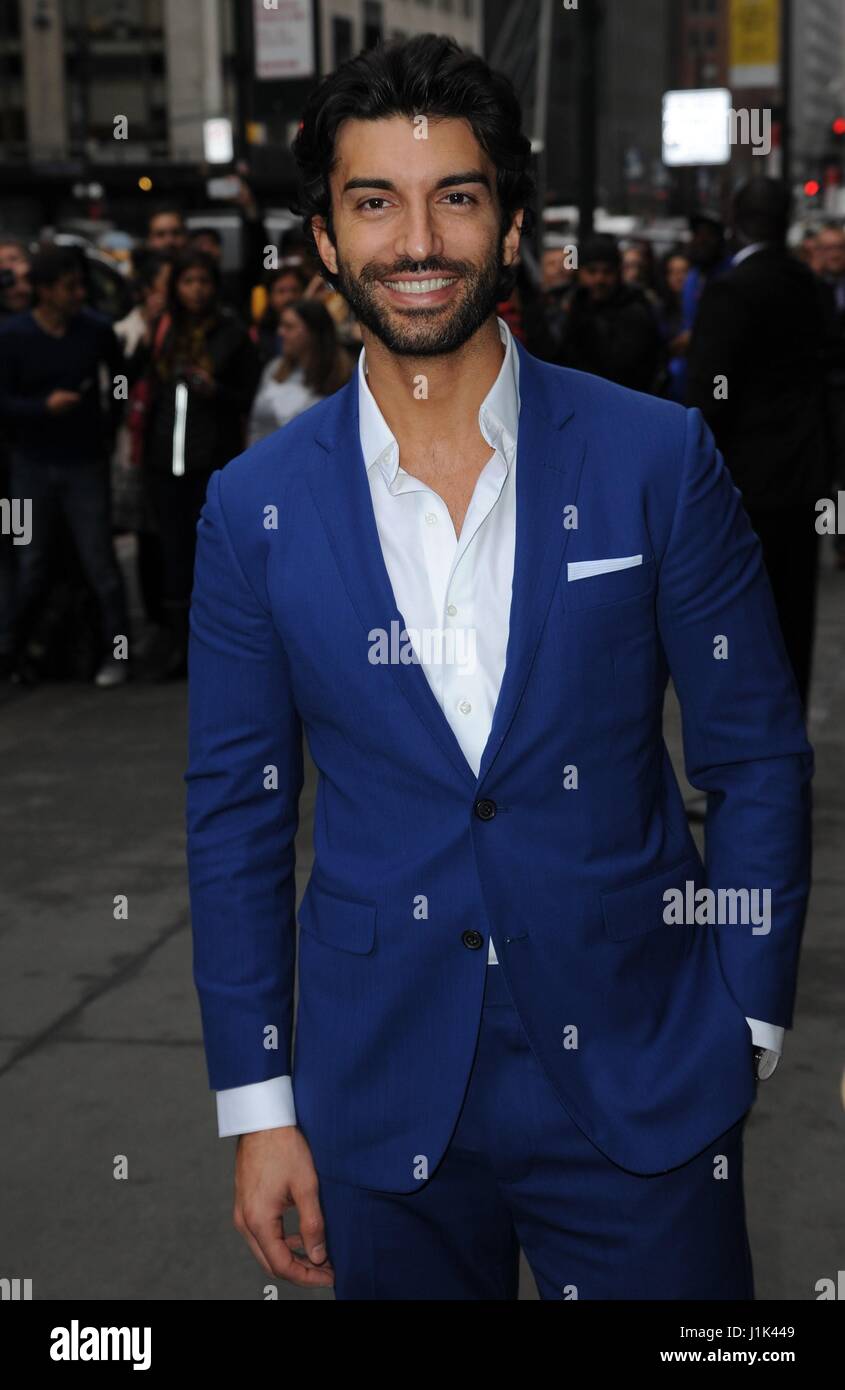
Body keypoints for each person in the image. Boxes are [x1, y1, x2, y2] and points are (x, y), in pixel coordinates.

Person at [185, 34, 812, 1302]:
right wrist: (258, 1106)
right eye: (374, 202)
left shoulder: (655, 458)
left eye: (454, 196)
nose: (416, 240)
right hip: (377, 1089)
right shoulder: (252, 508)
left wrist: (742, 1017)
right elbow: (235, 819)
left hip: (641, 1076)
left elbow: (753, 758)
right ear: (324, 238)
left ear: (509, 223)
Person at [687, 179, 832, 709]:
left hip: (743, 481)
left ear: (734, 217)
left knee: (740, 625)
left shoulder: (732, 291)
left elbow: (709, 394)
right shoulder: (811, 287)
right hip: (803, 478)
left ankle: (753, 759)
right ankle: (788, 750)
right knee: (795, 619)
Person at [0, 245, 130, 687]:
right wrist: (43, 408)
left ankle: (118, 650)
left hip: (84, 463)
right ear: (43, 290)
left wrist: (107, 424)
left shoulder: (95, 330)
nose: (77, 294)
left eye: (79, 285)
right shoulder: (13, 335)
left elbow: (120, 381)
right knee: (27, 561)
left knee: (100, 561)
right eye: (67, 286)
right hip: (27, 465)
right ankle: (17, 655)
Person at [136, 249, 259, 679]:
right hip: (164, 461)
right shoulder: (165, 330)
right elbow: (138, 379)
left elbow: (249, 396)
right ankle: (176, 646)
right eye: (187, 282)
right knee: (171, 554)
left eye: (203, 281)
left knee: (211, 555)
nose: (196, 290)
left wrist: (215, 391)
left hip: (212, 461)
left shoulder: (232, 333)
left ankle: (215, 645)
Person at [556, 234, 662, 392]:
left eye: (607, 272)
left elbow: (624, 370)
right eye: (592, 271)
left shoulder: (635, 311)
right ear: (580, 273)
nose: (600, 279)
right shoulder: (569, 308)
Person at [247, 298, 351, 446]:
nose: (280, 332)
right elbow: (254, 425)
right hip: (260, 459)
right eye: (281, 325)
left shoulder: (339, 376)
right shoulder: (274, 368)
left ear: (313, 332)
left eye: (289, 327)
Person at [251, 264, 310, 365]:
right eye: (281, 291)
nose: (289, 297)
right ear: (270, 297)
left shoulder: (312, 328)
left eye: (295, 290)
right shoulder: (258, 334)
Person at [656, 247, 691, 403]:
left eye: (684, 271)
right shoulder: (659, 309)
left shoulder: (702, 308)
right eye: (673, 272)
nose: (678, 277)